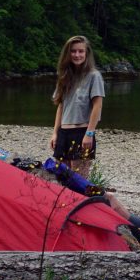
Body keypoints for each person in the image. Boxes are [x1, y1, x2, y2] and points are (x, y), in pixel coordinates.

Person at [50, 35, 104, 178]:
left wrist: (89, 134)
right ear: (68, 53)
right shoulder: (64, 76)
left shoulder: (94, 76)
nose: (77, 55)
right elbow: (61, 106)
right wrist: (55, 133)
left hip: (82, 133)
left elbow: (97, 106)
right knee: (61, 178)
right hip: (64, 133)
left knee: (78, 181)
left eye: (81, 51)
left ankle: (95, 200)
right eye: (73, 51)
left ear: (87, 53)